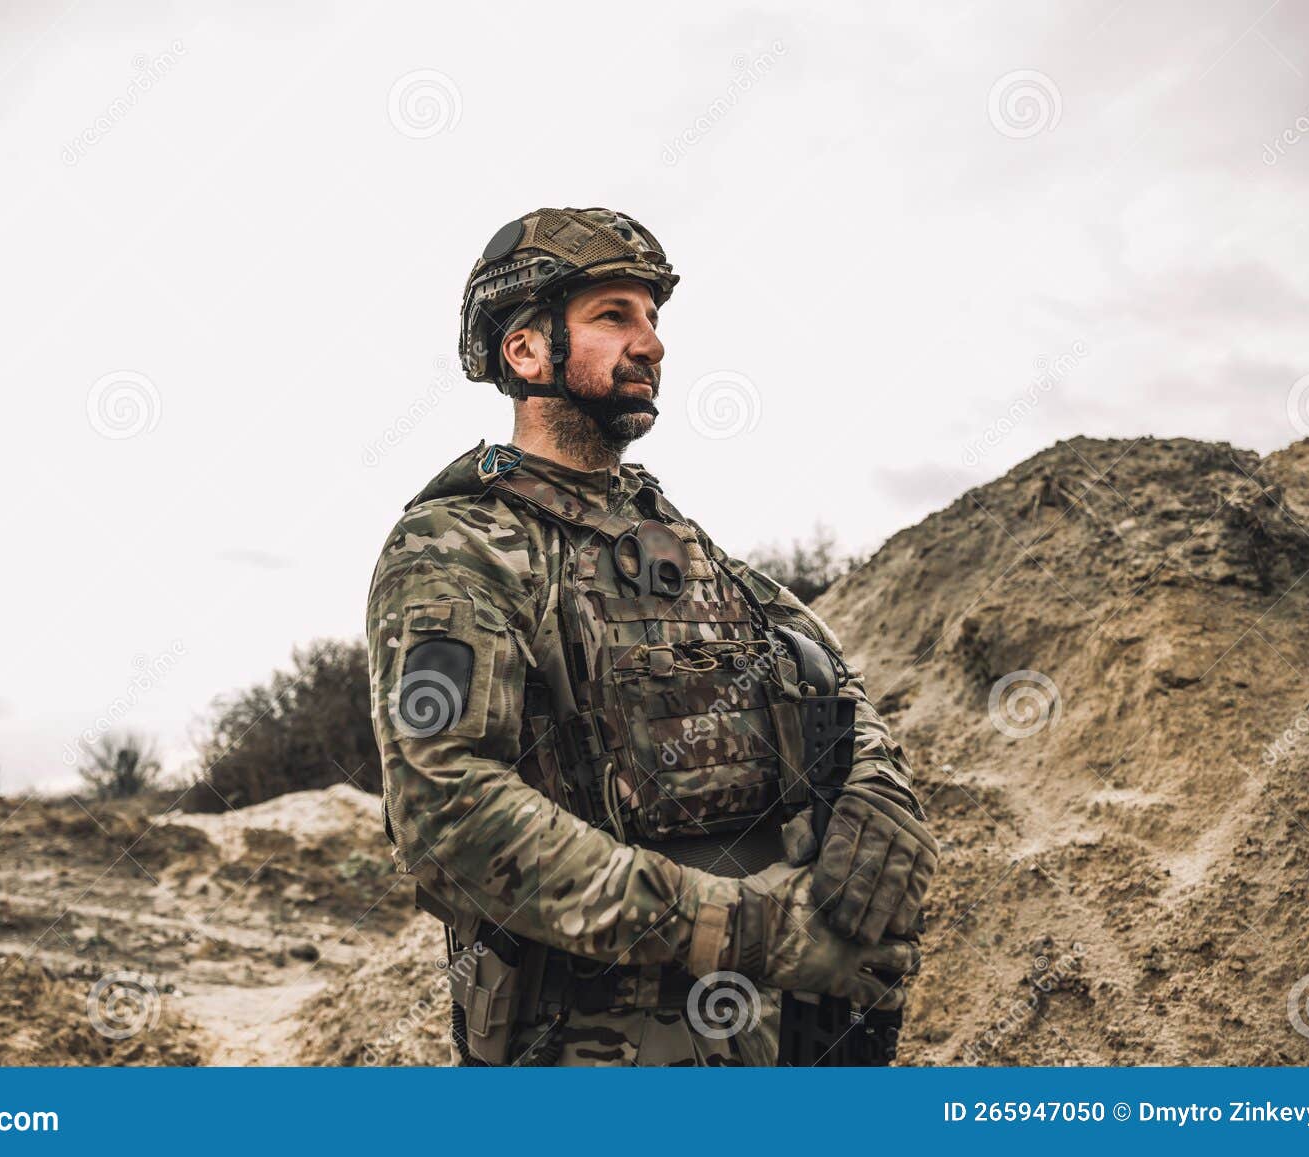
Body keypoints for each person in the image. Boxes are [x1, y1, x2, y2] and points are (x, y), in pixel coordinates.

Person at [364, 207, 938, 1065]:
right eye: (613, 316)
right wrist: (751, 928)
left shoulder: (681, 541)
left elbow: (835, 682)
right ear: (526, 351)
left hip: (773, 1037)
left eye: (654, 319)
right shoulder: (459, 546)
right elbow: (445, 811)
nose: (652, 343)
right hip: (591, 1049)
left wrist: (882, 799)